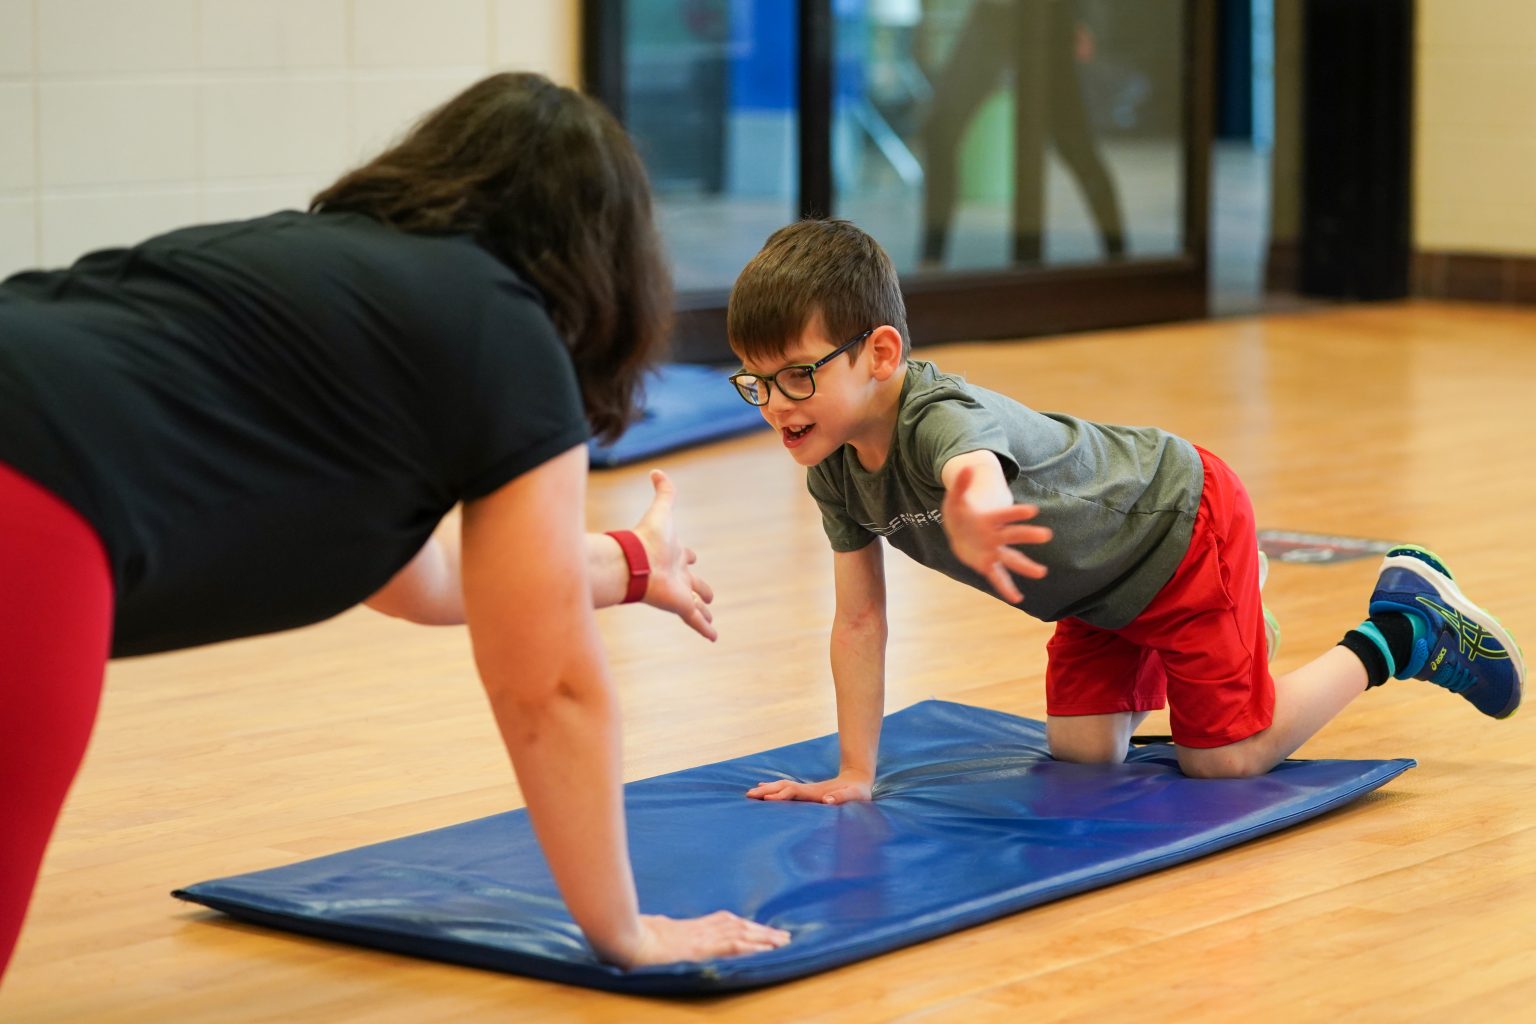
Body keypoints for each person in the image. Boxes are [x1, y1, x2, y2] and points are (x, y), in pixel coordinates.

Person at [0, 71, 790, 983]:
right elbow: (549, 689)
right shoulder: (502, 329)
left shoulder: (333, 306)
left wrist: (629, 563)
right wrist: (626, 930)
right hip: (34, 488)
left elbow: (438, 582)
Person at [723, 218, 1523, 804]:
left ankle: (1405, 630)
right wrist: (856, 774)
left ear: (882, 354)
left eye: (799, 376)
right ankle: (1239, 632)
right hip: (1096, 595)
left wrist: (973, 509)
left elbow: (972, 469)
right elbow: (860, 621)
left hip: (1178, 526)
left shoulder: (938, 415)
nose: (776, 406)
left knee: (1227, 761)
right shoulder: (831, 466)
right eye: (756, 382)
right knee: (1081, 756)